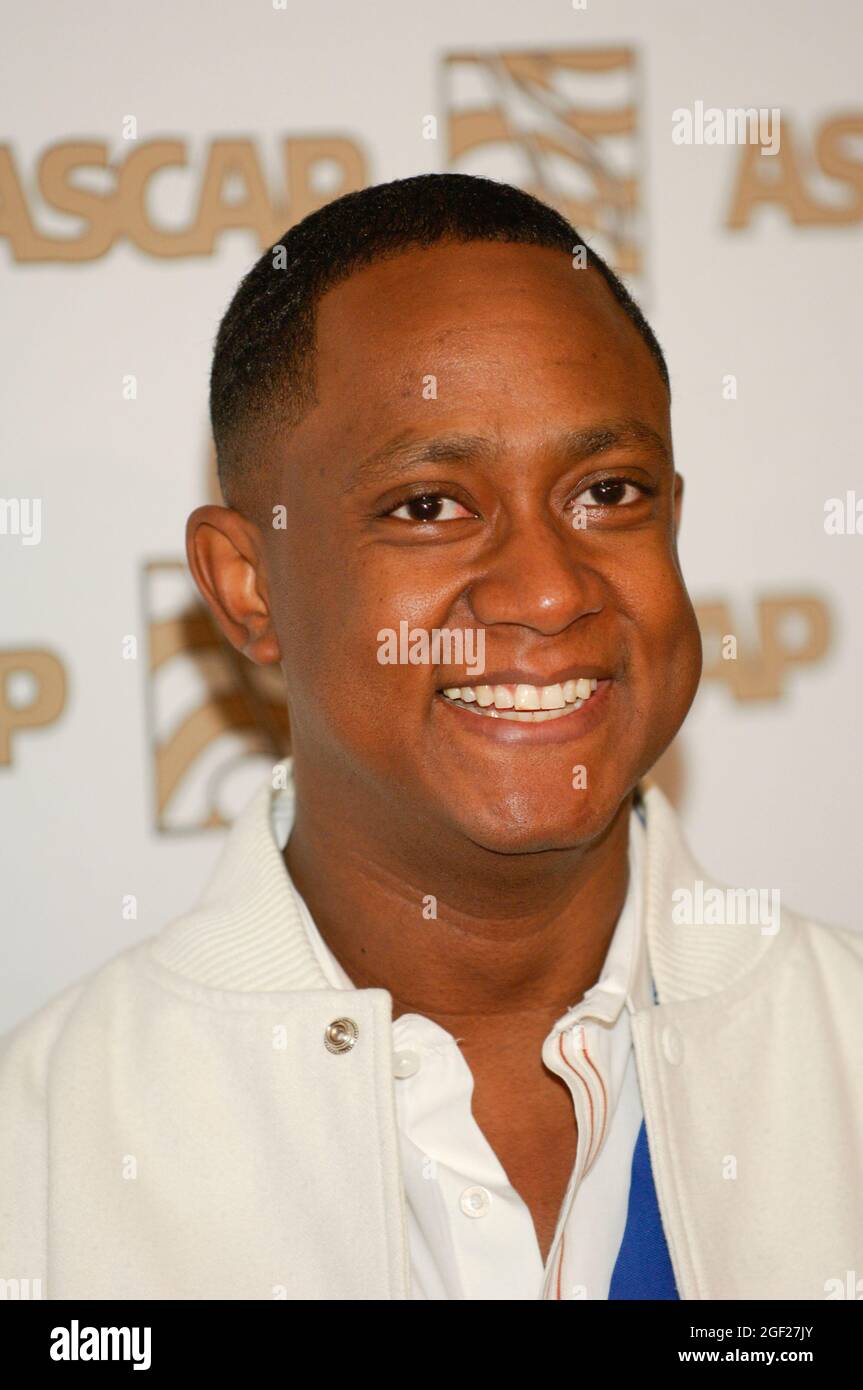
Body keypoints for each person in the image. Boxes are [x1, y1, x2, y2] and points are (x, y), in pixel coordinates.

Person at [2, 173, 861, 1301]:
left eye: (606, 490)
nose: (550, 591)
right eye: (427, 506)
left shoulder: (840, 1051)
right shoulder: (48, 1161)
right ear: (246, 585)